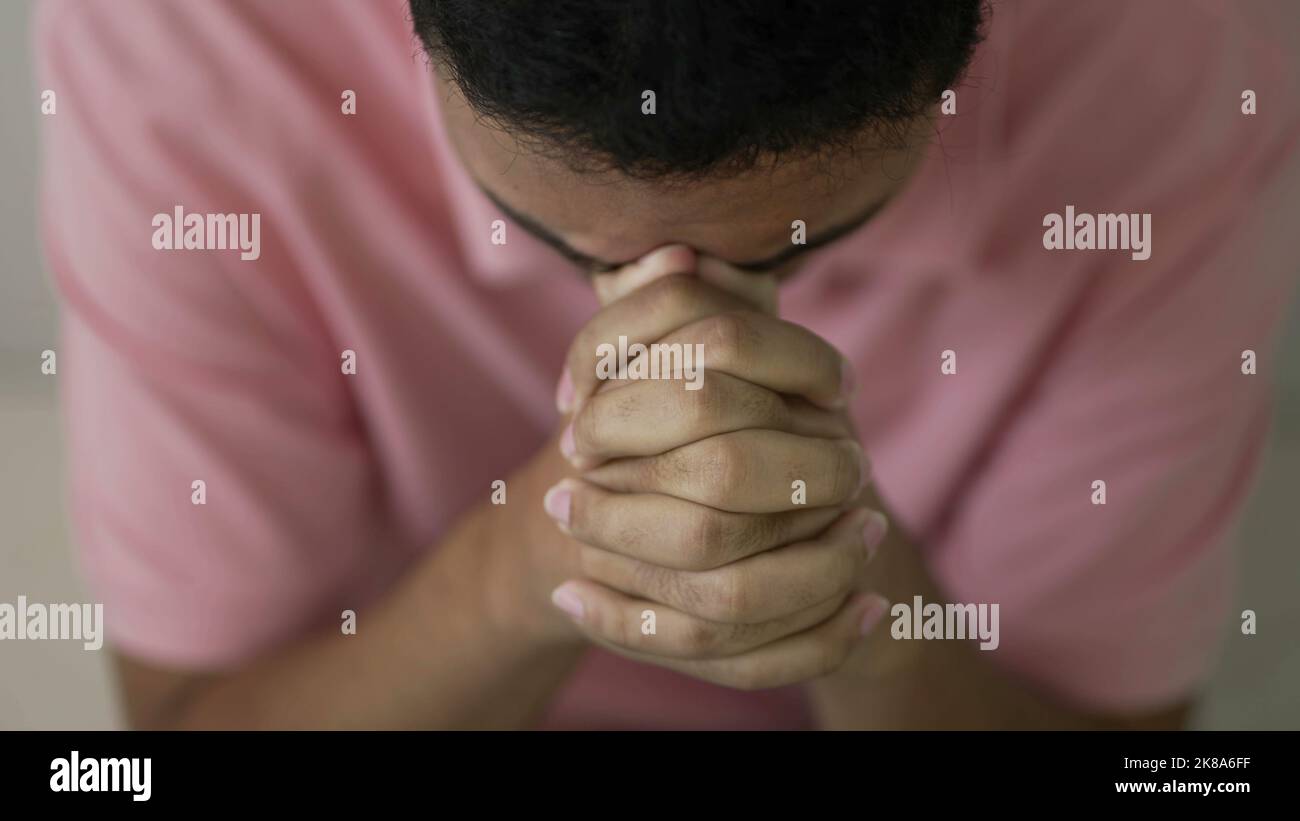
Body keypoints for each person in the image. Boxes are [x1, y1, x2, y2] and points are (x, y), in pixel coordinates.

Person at [36, 0, 1300, 729]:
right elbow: (174, 732)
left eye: (798, 248)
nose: (687, 359)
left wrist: (867, 616)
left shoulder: (1185, 60)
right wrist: (541, 556)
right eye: (560, 237)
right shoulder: (181, 34)